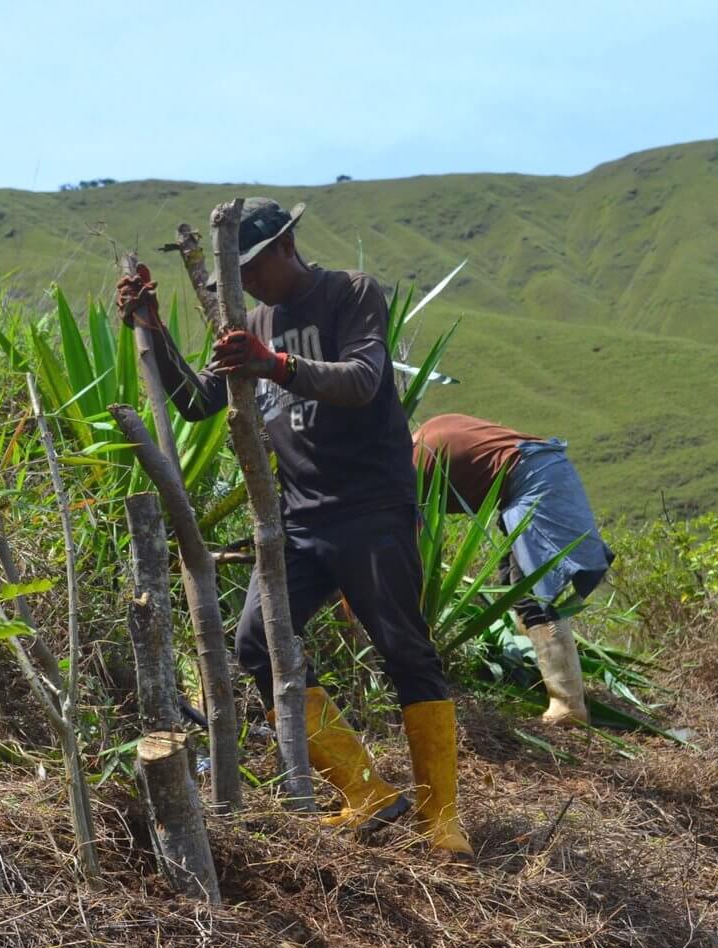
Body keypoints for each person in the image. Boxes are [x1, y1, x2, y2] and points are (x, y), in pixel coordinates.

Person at [115, 198, 470, 855]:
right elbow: (197, 403)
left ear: (286, 245)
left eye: (252, 266)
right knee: (257, 644)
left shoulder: (350, 295)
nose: (246, 282)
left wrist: (273, 364)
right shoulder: (250, 321)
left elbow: (365, 381)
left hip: (370, 508)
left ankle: (441, 821)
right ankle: (366, 792)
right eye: (236, 273)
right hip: (297, 521)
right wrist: (154, 329)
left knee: (405, 651)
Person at [412, 414, 615, 726]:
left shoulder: (413, 467)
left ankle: (568, 706)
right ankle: (548, 687)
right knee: (513, 588)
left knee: (534, 593)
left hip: (535, 482)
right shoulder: (428, 433)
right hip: (536, 476)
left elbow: (411, 549)